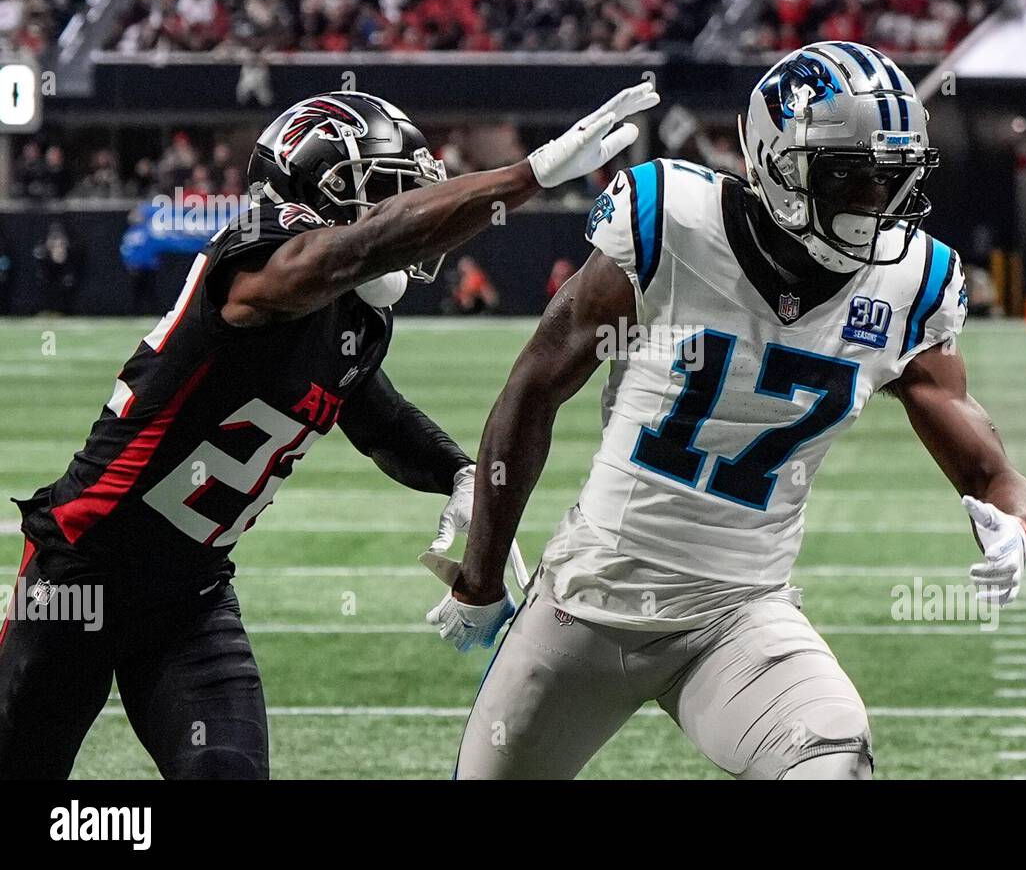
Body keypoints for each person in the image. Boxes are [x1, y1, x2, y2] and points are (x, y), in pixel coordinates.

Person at [0, 82, 659, 779]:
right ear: (314, 189)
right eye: (386, 190)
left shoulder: (359, 317)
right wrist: (525, 175)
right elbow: (341, 255)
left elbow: (376, 414)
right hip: (82, 573)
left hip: (190, 596)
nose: (402, 211)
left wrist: (460, 472)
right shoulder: (260, 260)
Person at [429, 42, 1026, 780]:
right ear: (779, 164)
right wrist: (481, 575)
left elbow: (989, 468)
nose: (875, 204)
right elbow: (532, 389)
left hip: (742, 612)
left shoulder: (913, 283)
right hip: (588, 603)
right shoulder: (672, 221)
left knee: (832, 758)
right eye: (851, 178)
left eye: (890, 180)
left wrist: (1016, 526)